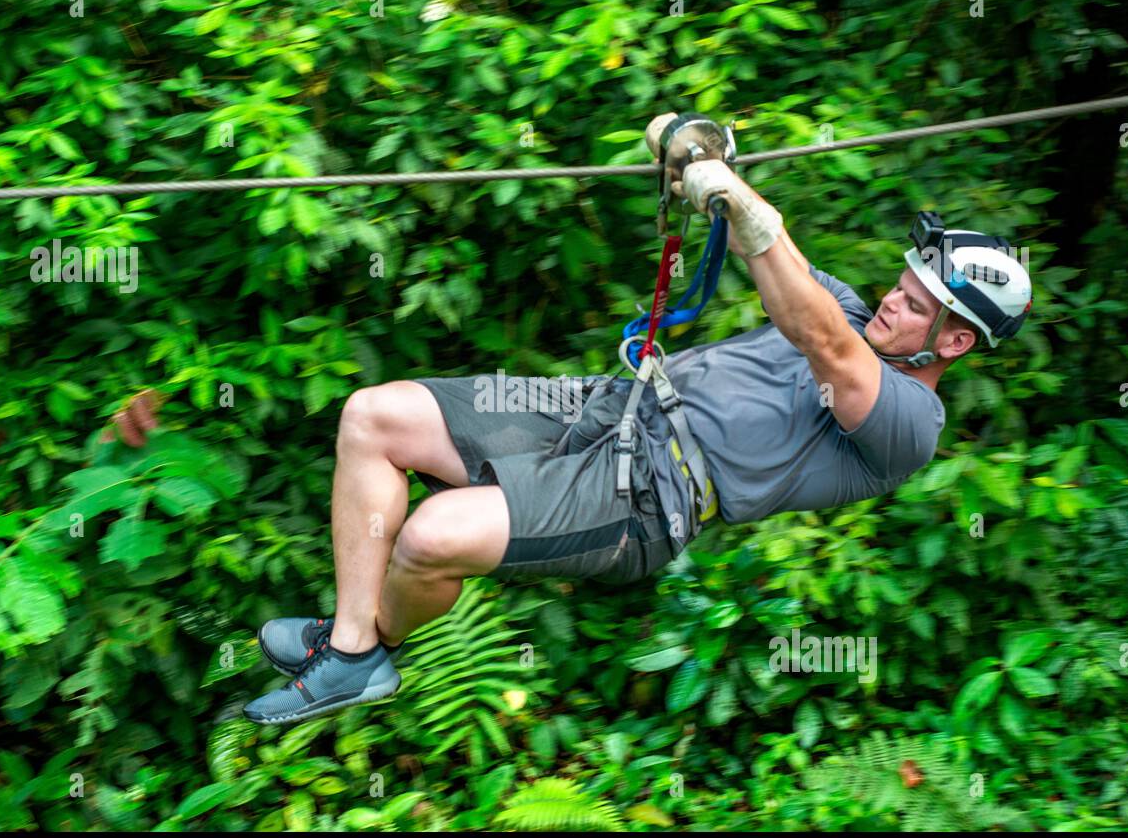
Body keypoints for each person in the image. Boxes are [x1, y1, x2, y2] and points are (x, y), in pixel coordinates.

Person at [104, 114, 1033, 725]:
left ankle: (362, 648)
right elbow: (763, 254)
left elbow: (825, 342)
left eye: (916, 306)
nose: (890, 302)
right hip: (604, 403)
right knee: (371, 416)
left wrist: (751, 210)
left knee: (428, 538)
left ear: (950, 345)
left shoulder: (908, 421)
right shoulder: (841, 301)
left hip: (651, 494)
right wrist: (687, 144)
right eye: (901, 284)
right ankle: (354, 647)